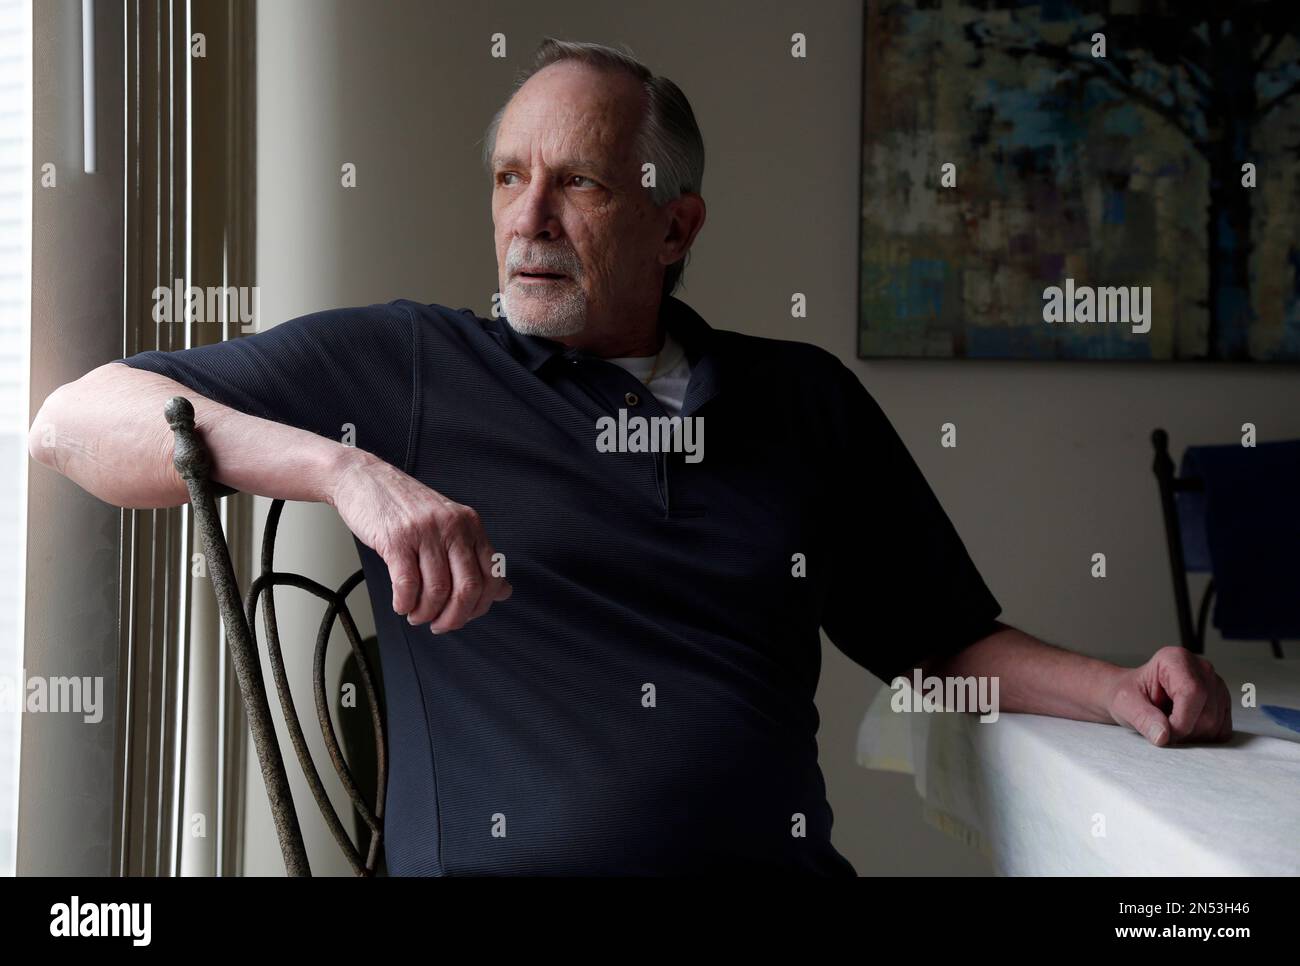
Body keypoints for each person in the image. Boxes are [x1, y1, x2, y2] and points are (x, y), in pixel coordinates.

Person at [28, 39, 1232, 876]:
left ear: (675, 225)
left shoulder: (795, 399)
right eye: (509, 178)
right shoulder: (410, 367)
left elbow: (942, 645)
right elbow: (75, 422)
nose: (527, 217)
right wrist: (342, 470)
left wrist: (1114, 689)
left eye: (579, 182)